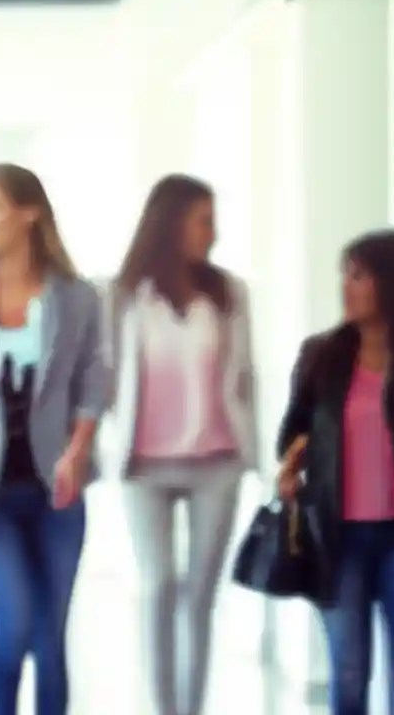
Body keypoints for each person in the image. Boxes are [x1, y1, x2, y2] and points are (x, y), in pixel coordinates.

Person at [0, 162, 109, 715]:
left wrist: (77, 452)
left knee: (51, 642)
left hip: (59, 495)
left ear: (29, 213)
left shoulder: (77, 298)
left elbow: (94, 381)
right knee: (15, 625)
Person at [276, 229, 394, 715]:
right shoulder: (320, 356)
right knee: (348, 675)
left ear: (393, 282)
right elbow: (292, 433)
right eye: (345, 275)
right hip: (339, 538)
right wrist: (291, 467)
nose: (346, 286)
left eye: (359, 276)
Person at [102, 174, 258, 715]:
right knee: (159, 586)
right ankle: (164, 708)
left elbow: (246, 378)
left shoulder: (229, 293)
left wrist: (256, 453)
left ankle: (191, 709)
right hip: (144, 465)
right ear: (171, 224)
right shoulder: (124, 295)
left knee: (200, 596)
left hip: (217, 461)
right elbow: (106, 376)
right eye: (204, 221)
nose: (213, 233)